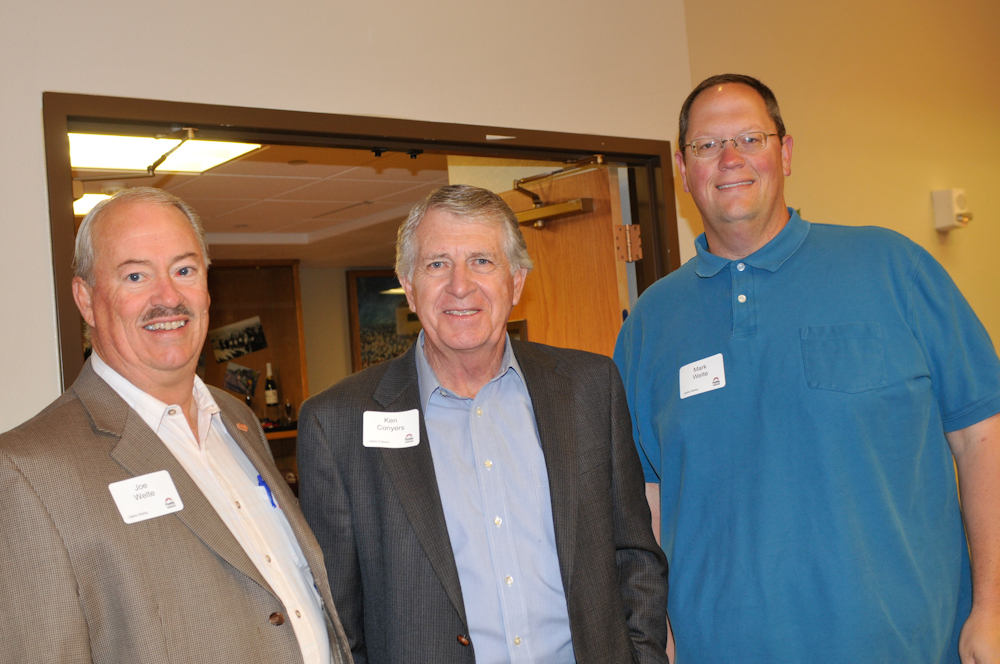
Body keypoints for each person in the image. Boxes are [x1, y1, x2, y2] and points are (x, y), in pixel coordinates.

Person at [614, 73, 1000, 664]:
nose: (730, 158)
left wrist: (992, 607)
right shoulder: (651, 322)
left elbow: (982, 438)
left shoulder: (893, 269)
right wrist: (657, 637)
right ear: (683, 170)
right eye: (707, 145)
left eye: (750, 138)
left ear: (786, 153)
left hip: (909, 646)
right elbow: (645, 501)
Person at [299, 184, 669, 664]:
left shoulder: (590, 388)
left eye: (482, 261)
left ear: (516, 281)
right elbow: (337, 622)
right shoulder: (337, 424)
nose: (460, 285)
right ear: (409, 286)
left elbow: (635, 556)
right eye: (437, 264)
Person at [0, 188, 352, 664]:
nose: (168, 297)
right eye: (136, 275)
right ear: (85, 299)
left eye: (184, 270)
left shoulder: (236, 419)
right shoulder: (26, 473)